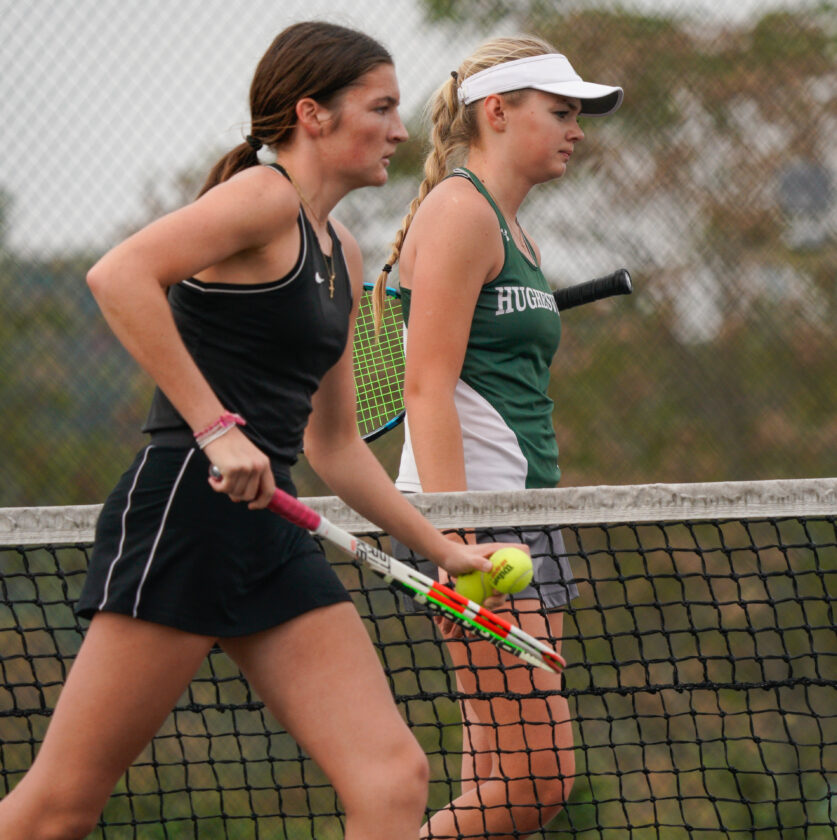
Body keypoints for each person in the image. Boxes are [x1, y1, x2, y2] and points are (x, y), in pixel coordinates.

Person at [0, 22, 515, 840]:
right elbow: (119, 274)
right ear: (313, 114)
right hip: (186, 514)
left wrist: (444, 549)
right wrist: (215, 429)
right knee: (58, 809)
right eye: (379, 108)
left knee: (390, 778)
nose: (400, 129)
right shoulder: (261, 197)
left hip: (270, 530)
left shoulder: (341, 252)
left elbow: (334, 445)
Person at [375, 36, 623, 839]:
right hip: (473, 527)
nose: (575, 129)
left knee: (493, 773)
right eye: (560, 112)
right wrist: (455, 539)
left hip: (521, 515)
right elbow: (426, 388)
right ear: (497, 111)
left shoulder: (514, 231)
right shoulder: (457, 210)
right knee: (534, 782)